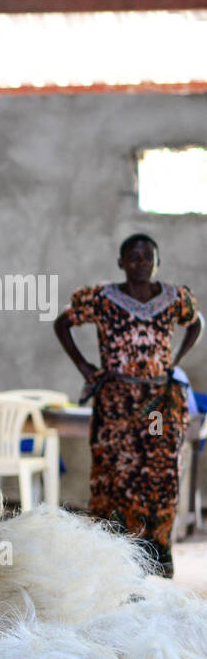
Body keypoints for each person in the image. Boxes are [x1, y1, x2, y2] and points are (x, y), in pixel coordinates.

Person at [54, 233, 202, 577]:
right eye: (133, 258)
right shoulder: (101, 298)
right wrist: (84, 366)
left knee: (160, 474)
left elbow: (196, 323)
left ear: (157, 261)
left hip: (159, 405)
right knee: (116, 473)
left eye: (148, 257)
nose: (141, 263)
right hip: (116, 403)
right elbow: (63, 323)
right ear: (121, 263)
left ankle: (155, 557)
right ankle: (115, 557)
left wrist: (176, 359)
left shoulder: (174, 297)